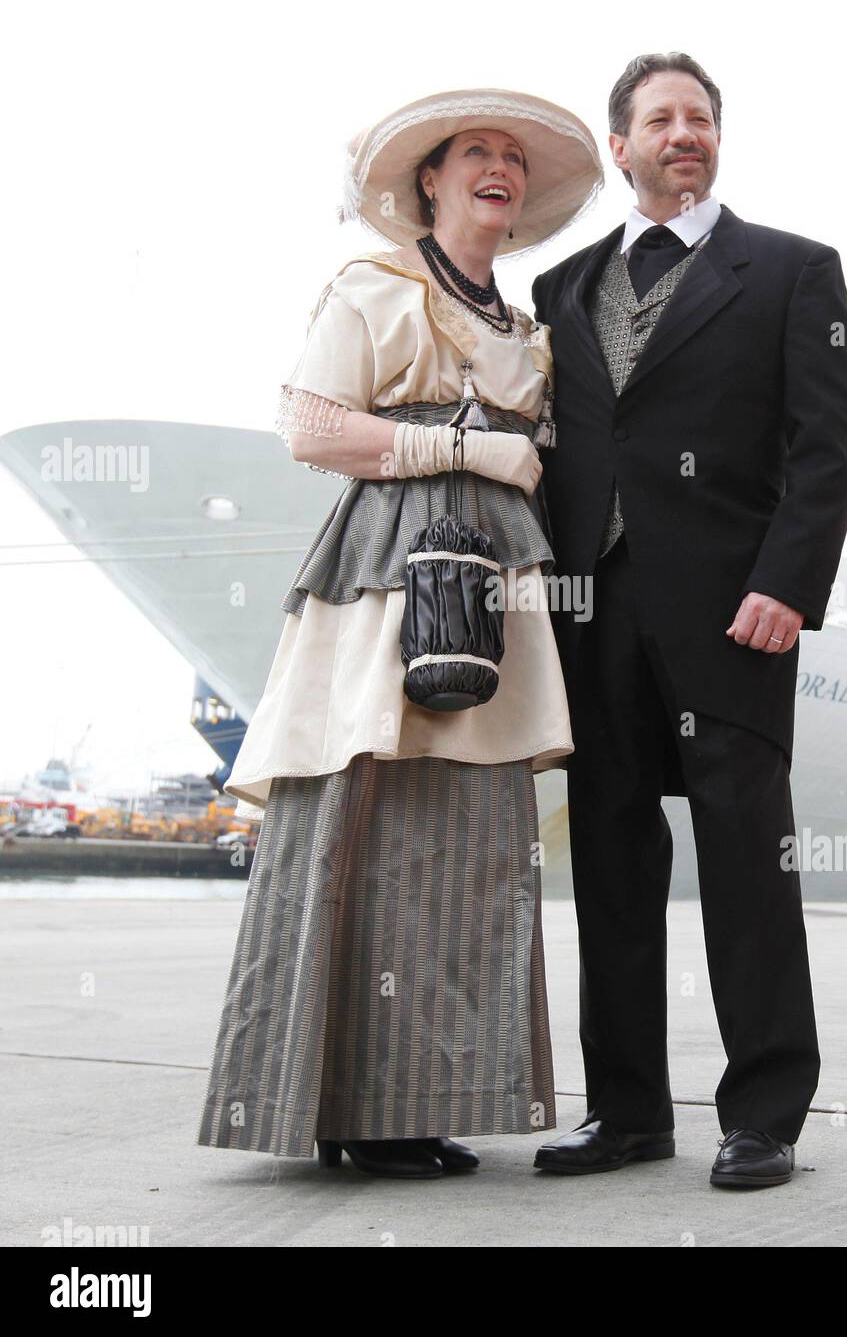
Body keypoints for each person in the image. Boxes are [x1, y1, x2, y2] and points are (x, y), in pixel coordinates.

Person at [195, 88, 603, 1178]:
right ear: (429, 177)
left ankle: (417, 1098)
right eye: (477, 149)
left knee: (468, 845)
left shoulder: (525, 330)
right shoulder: (376, 287)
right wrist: (467, 451)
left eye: (513, 158)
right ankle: (345, 1105)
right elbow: (310, 426)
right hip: (390, 577)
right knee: (368, 817)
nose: (499, 167)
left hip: (497, 589)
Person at [530, 53, 847, 1187]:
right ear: (617, 144)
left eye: (700, 118)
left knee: (744, 861)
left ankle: (763, 1112)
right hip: (593, 611)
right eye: (659, 119)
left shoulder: (787, 271)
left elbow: (825, 450)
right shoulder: (560, 288)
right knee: (611, 864)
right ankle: (624, 1112)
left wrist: (786, 583)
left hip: (734, 613)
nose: (684, 133)